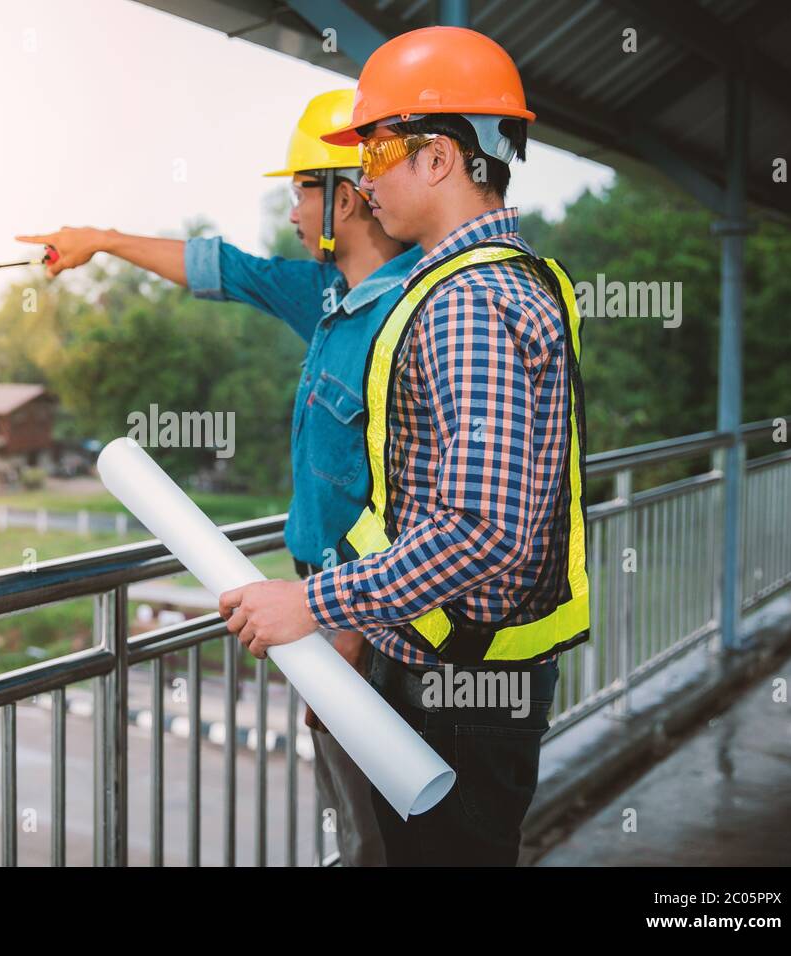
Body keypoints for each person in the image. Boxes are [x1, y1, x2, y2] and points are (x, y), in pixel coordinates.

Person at [17, 89, 424, 866]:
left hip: (366, 629)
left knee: (392, 839)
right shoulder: (327, 297)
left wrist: (355, 633)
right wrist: (98, 241)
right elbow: (220, 270)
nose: (294, 206)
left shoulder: (412, 311)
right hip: (327, 619)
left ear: (351, 192)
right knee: (359, 832)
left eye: (304, 187)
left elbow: (421, 502)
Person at [216, 26, 591, 867]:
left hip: (459, 686)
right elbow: (415, 499)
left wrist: (316, 604)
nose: (363, 176)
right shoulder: (495, 279)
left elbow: (481, 528)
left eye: (378, 148)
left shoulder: (467, 304)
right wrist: (357, 623)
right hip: (456, 668)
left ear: (440, 159)